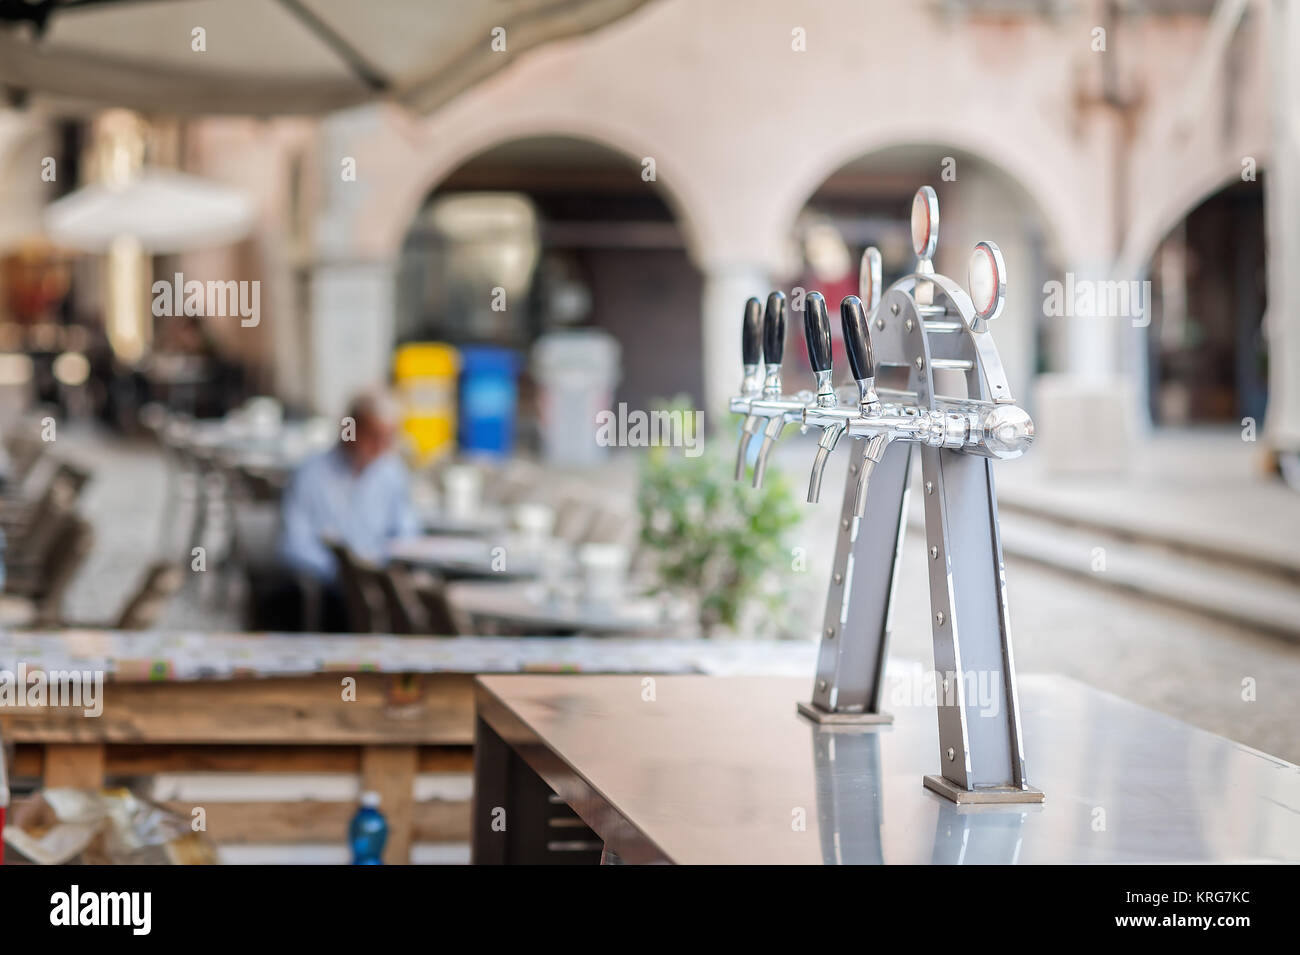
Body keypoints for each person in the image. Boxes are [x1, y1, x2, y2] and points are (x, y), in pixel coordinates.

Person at [278, 389, 418, 589]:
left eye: (387, 438)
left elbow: (407, 533)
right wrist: (342, 572)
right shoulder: (311, 473)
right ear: (349, 428)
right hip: (328, 587)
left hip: (380, 581)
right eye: (373, 435)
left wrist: (383, 565)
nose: (380, 446)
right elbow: (293, 545)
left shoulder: (392, 472)